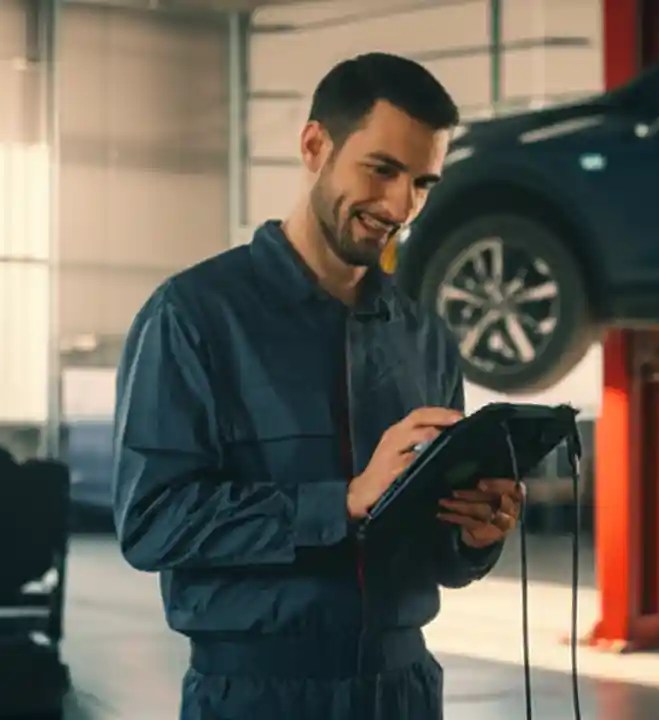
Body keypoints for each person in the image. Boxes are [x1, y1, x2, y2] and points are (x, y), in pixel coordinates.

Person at [112, 52, 524, 720]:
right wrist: (345, 501)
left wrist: (473, 538)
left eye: (422, 182)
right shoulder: (194, 317)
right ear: (314, 146)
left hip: (404, 690)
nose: (401, 205)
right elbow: (151, 523)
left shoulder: (425, 340)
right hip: (256, 697)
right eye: (382, 170)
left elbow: (433, 551)